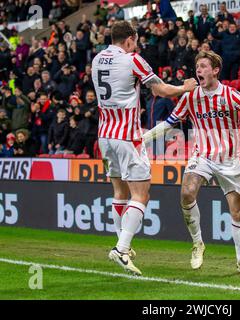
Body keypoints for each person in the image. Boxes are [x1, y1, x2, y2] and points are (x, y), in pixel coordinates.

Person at [144, 51, 240, 275]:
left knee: (239, 212)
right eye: (197, 67)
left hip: (229, 161)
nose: (199, 70)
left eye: (203, 66)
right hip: (202, 156)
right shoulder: (190, 97)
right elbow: (168, 124)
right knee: (187, 192)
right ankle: (198, 243)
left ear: (215, 70)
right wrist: (143, 139)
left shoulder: (231, 95)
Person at [91, 21, 197, 275]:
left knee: (119, 191)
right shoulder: (133, 59)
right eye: (135, 41)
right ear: (129, 39)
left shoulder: (96, 60)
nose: (136, 45)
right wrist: (185, 87)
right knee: (141, 193)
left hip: (104, 136)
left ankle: (120, 244)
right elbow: (160, 90)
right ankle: (121, 249)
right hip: (128, 136)